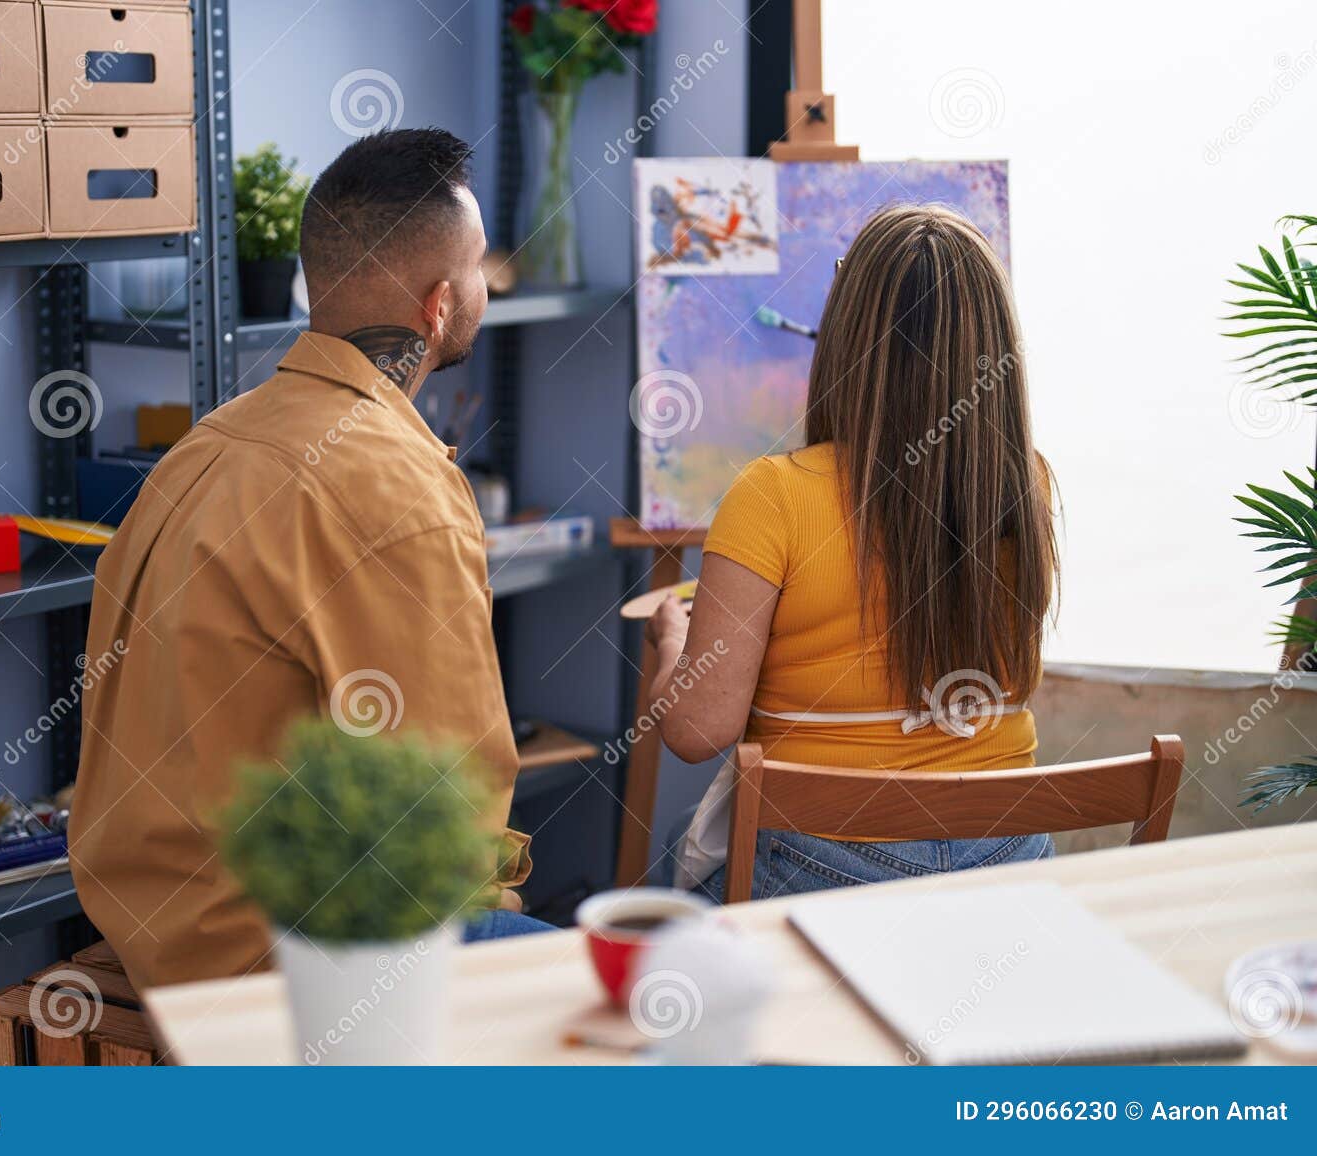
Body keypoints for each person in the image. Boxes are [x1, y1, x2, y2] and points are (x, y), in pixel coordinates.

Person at [70, 128, 547, 991]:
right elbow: (448, 807)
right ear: (440, 305)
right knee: (672, 985)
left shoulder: (203, 448)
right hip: (293, 962)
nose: (486, 283)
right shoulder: (399, 487)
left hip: (157, 927)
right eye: (479, 266)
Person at [645, 203, 1060, 901]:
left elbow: (693, 730)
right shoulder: (1025, 483)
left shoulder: (772, 495)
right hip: (1012, 854)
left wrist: (670, 643)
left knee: (672, 869)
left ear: (847, 334)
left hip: (829, 865)